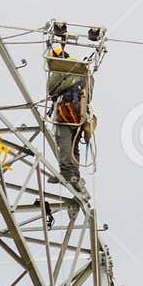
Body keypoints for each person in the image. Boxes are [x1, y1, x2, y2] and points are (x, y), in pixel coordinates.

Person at [45, 43, 95, 190]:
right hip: (81, 114)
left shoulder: (63, 67)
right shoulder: (85, 73)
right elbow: (89, 94)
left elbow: (51, 89)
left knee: (64, 140)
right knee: (74, 143)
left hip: (66, 111)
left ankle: (67, 173)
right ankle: (75, 174)